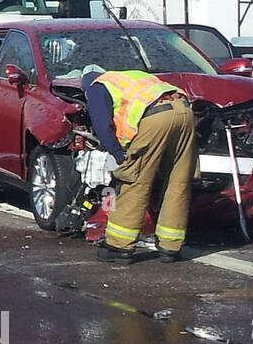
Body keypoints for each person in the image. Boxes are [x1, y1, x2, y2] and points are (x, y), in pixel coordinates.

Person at [82, 69, 197, 263]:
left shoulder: (96, 88)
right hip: (185, 111)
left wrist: (119, 156)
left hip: (156, 117)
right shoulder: (128, 77)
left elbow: (103, 127)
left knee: (135, 181)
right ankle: (170, 246)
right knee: (178, 182)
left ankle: (119, 247)